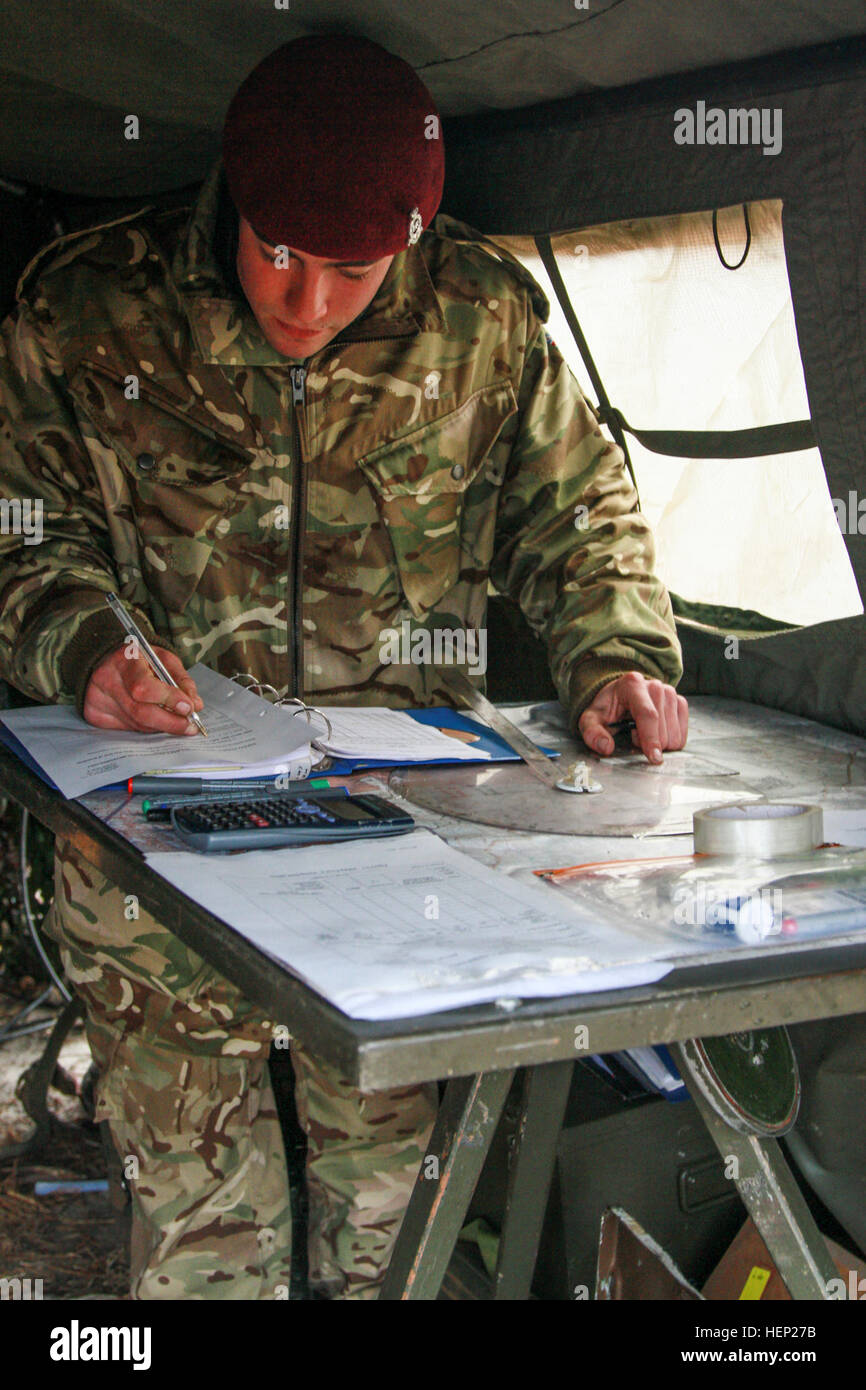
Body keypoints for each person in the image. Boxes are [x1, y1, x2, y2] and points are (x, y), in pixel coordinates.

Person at [0, 34, 688, 1298]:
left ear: (412, 242)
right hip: (156, 850)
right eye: (278, 254)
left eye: (353, 271)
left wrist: (612, 656)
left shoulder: (484, 319)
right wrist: (82, 640)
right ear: (231, 197)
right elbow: (18, 523)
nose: (305, 307)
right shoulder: (85, 307)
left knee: (393, 1227)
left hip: (399, 863)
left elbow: (578, 512)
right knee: (208, 1233)